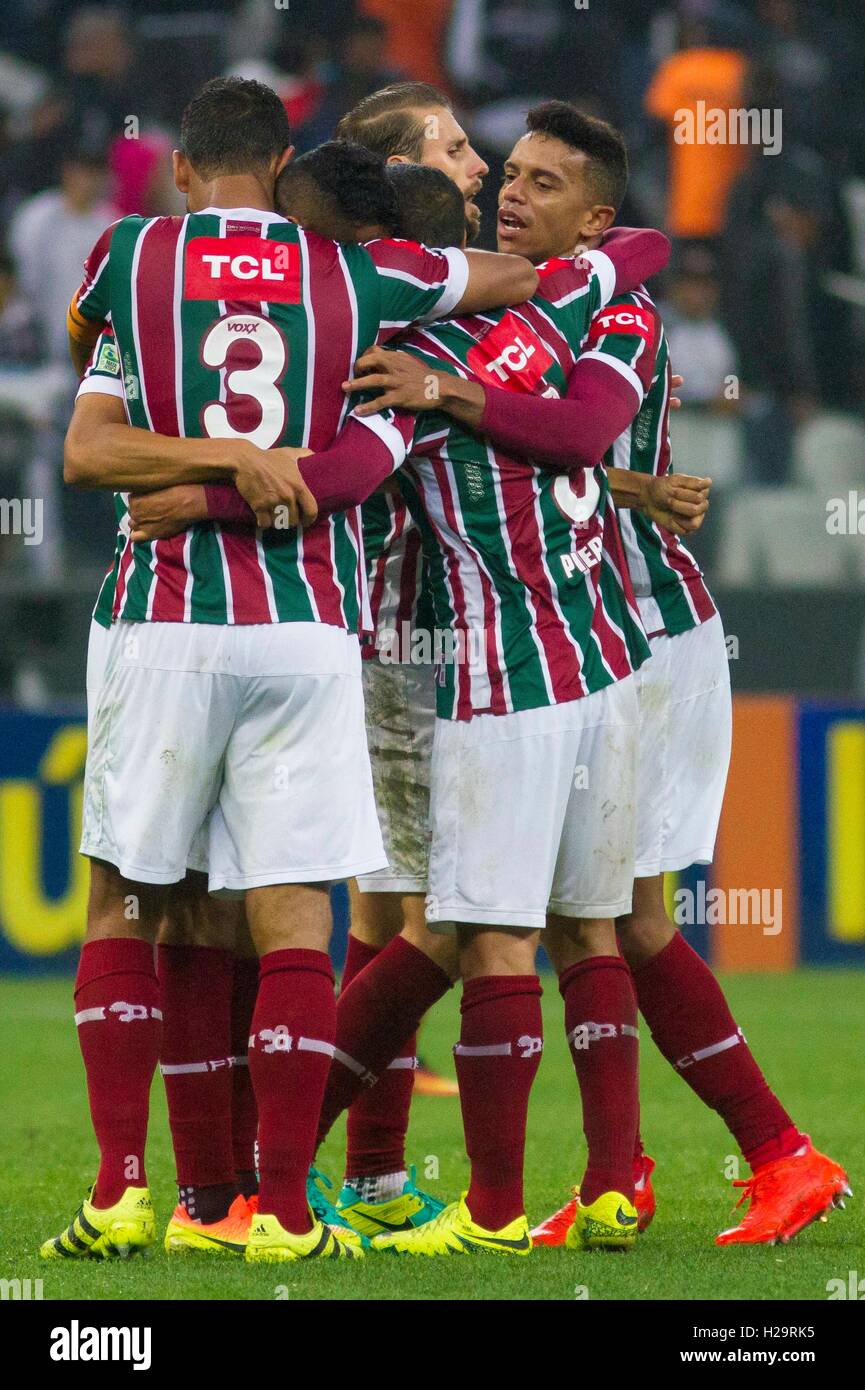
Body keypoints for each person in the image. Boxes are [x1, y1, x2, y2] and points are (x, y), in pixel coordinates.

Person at [43, 76, 537, 1265]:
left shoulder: (130, 254)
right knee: (290, 916)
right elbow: (512, 279)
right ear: (278, 169)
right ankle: (280, 1213)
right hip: (309, 628)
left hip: (159, 621)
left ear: (179, 168)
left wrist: (211, 452)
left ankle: (125, 1193)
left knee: (131, 900)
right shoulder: (358, 278)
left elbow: (85, 447)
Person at [361, 101, 851, 1251]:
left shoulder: (607, 304)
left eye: (538, 179)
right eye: (505, 173)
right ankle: (626, 1175)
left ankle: (769, 1152)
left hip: (639, 636)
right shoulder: (511, 302)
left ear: (591, 215)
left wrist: (450, 399)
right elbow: (561, 460)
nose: (505, 190)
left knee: (596, 921)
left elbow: (576, 433)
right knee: (580, 923)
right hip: (567, 640)